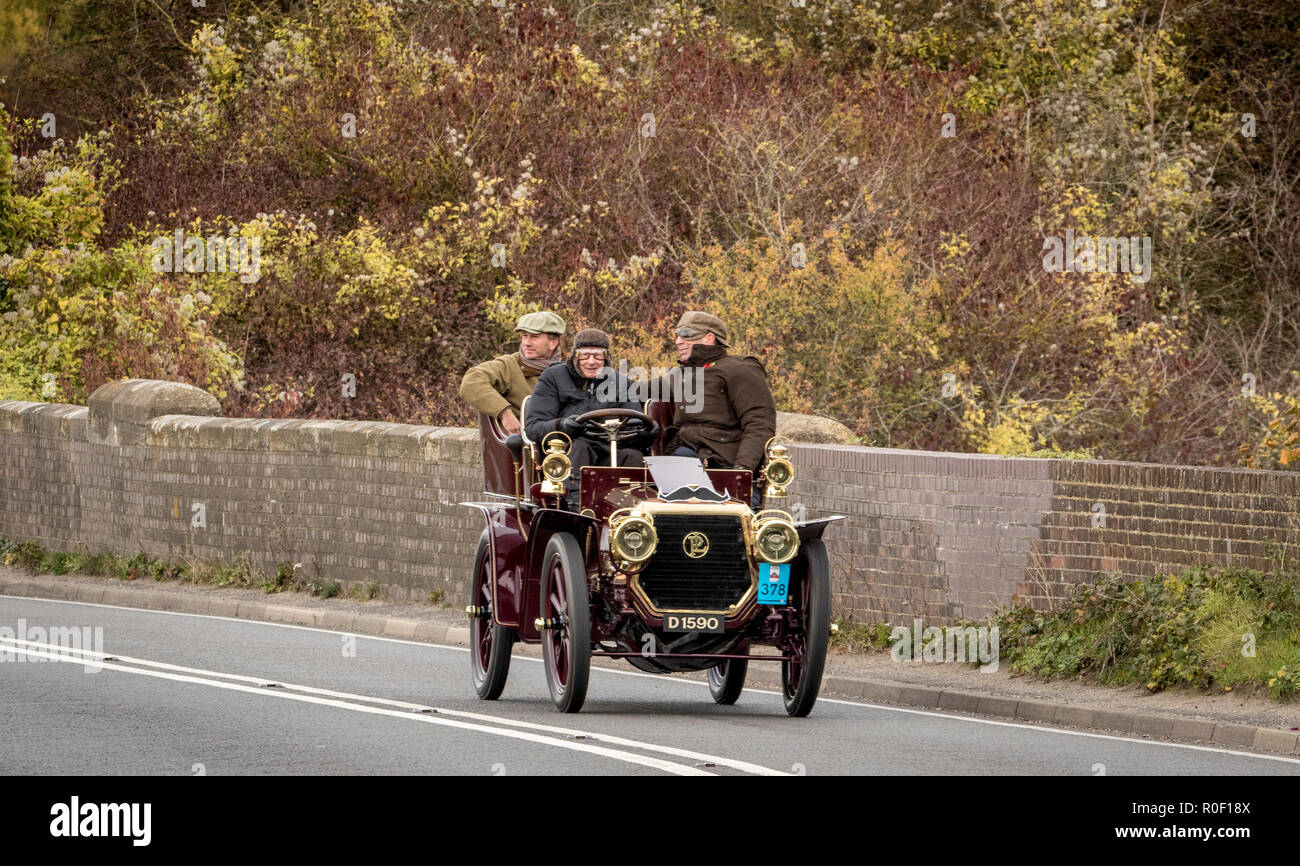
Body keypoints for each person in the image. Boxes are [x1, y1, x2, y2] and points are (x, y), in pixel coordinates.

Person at [660, 311, 775, 506]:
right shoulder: (681, 375)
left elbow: (759, 423)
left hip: (724, 463)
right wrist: (598, 374)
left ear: (709, 338)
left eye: (686, 334)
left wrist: (741, 471)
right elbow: (634, 391)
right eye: (677, 335)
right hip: (684, 458)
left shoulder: (739, 369)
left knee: (739, 519)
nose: (678, 341)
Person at [525, 328, 647, 505]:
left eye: (598, 355)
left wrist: (647, 432)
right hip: (567, 454)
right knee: (581, 447)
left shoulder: (621, 383)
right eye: (585, 355)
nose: (591, 362)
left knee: (634, 456)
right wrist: (562, 426)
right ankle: (576, 506)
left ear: (607, 357)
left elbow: (636, 424)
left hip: (610, 449)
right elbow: (533, 427)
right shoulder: (553, 377)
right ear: (575, 356)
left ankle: (632, 510)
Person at [459, 311, 565, 435]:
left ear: (553, 343)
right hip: (522, 449)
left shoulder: (565, 371)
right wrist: (505, 413)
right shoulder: (509, 365)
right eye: (525, 336)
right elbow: (471, 382)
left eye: (534, 337)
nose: (527, 343)